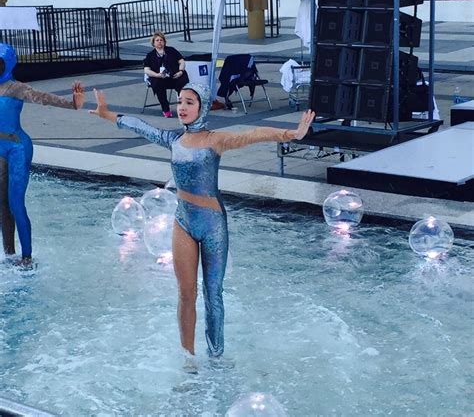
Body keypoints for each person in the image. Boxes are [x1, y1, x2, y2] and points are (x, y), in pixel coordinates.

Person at [90, 83, 315, 370]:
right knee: (186, 294)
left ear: (203, 107)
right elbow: (141, 126)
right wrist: (108, 114)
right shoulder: (173, 140)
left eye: (189, 102)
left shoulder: (215, 141)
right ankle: (189, 358)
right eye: (180, 101)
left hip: (213, 225)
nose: (182, 107)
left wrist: (291, 134)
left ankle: (217, 356)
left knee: (213, 294)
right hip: (184, 221)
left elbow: (254, 134)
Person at [0, 43, 85, 265]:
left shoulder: (15, 88)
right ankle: (9, 254)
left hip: (18, 148)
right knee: (2, 204)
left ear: (7, 64)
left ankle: (27, 257)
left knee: (16, 203)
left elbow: (44, 97)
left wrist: (72, 104)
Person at [143, 31, 189, 118]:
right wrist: (157, 75)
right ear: (153, 42)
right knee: (157, 84)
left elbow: (181, 61)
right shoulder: (150, 55)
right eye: (157, 40)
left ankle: (183, 106)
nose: (159, 42)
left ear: (164, 42)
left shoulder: (171, 50)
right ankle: (165, 109)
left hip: (174, 75)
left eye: (161, 40)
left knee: (182, 80)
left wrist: (180, 71)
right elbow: (146, 70)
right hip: (159, 77)